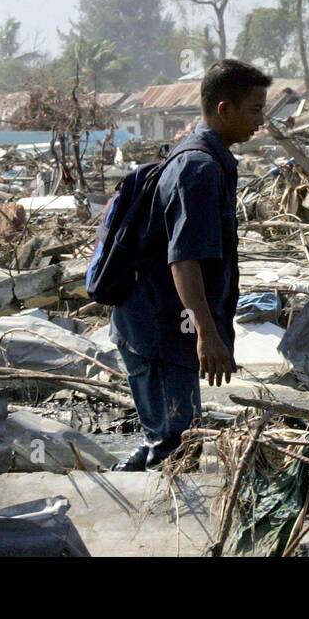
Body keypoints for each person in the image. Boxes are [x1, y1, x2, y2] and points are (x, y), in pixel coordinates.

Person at [111, 59, 270, 471]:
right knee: (178, 446)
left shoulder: (205, 159)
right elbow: (183, 259)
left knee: (173, 439)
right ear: (224, 109)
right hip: (158, 328)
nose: (261, 121)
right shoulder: (198, 168)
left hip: (160, 324)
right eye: (254, 110)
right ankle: (153, 528)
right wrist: (207, 334)